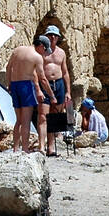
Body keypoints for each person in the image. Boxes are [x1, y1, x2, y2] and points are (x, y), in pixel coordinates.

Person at [6, 39, 54, 153]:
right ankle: (25, 149)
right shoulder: (37, 57)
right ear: (41, 46)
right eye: (45, 49)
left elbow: (8, 67)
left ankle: (15, 148)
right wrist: (51, 95)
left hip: (14, 85)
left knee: (18, 120)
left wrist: (9, 84)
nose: (44, 52)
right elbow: (42, 78)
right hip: (26, 86)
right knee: (26, 120)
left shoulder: (18, 50)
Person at [41, 25, 73, 156]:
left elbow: (65, 72)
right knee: (44, 115)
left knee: (56, 115)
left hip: (59, 83)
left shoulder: (61, 53)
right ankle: (45, 145)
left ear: (58, 38)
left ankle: (52, 145)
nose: (52, 37)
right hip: (46, 83)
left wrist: (68, 91)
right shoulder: (42, 52)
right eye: (50, 35)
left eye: (54, 35)